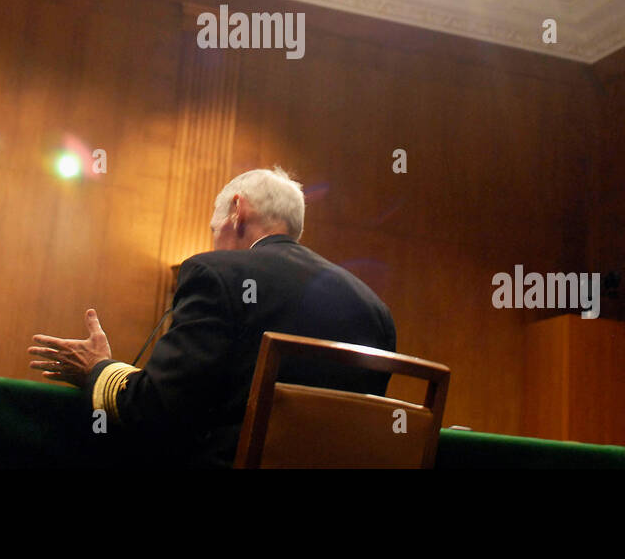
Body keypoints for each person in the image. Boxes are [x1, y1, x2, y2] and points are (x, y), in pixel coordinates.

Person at [29, 166, 396, 466]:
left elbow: (155, 411)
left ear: (238, 211)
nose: (213, 243)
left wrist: (98, 368)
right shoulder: (374, 309)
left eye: (213, 229)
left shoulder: (216, 274)